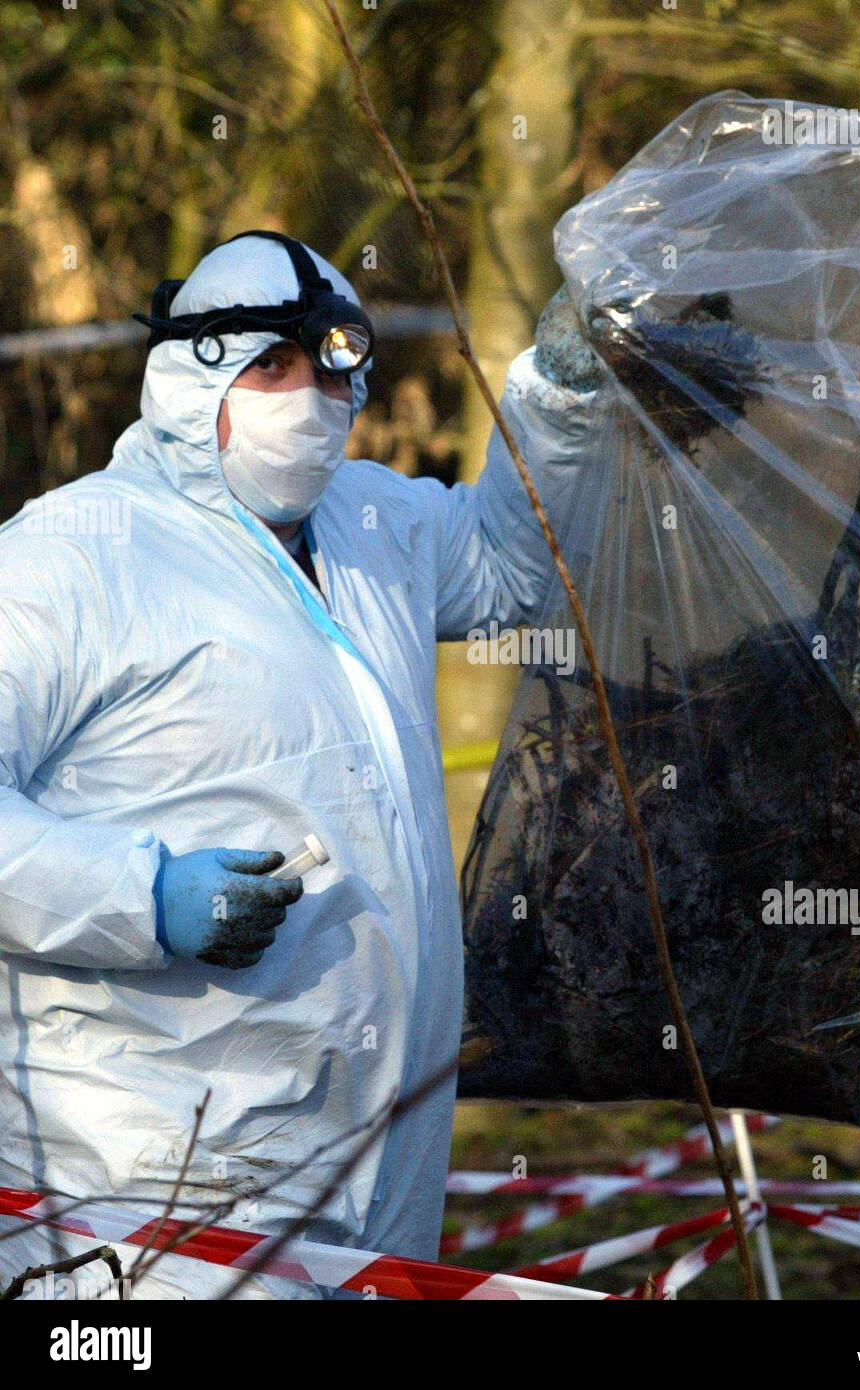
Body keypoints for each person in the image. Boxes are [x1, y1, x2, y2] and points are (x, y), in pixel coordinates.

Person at [0, 233, 605, 1298]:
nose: (311, 398)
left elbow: (518, 566)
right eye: (271, 368)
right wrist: (139, 894)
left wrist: (558, 389)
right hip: (149, 1182)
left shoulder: (374, 524)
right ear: (192, 378)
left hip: (376, 1159)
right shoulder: (70, 559)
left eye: (333, 370)